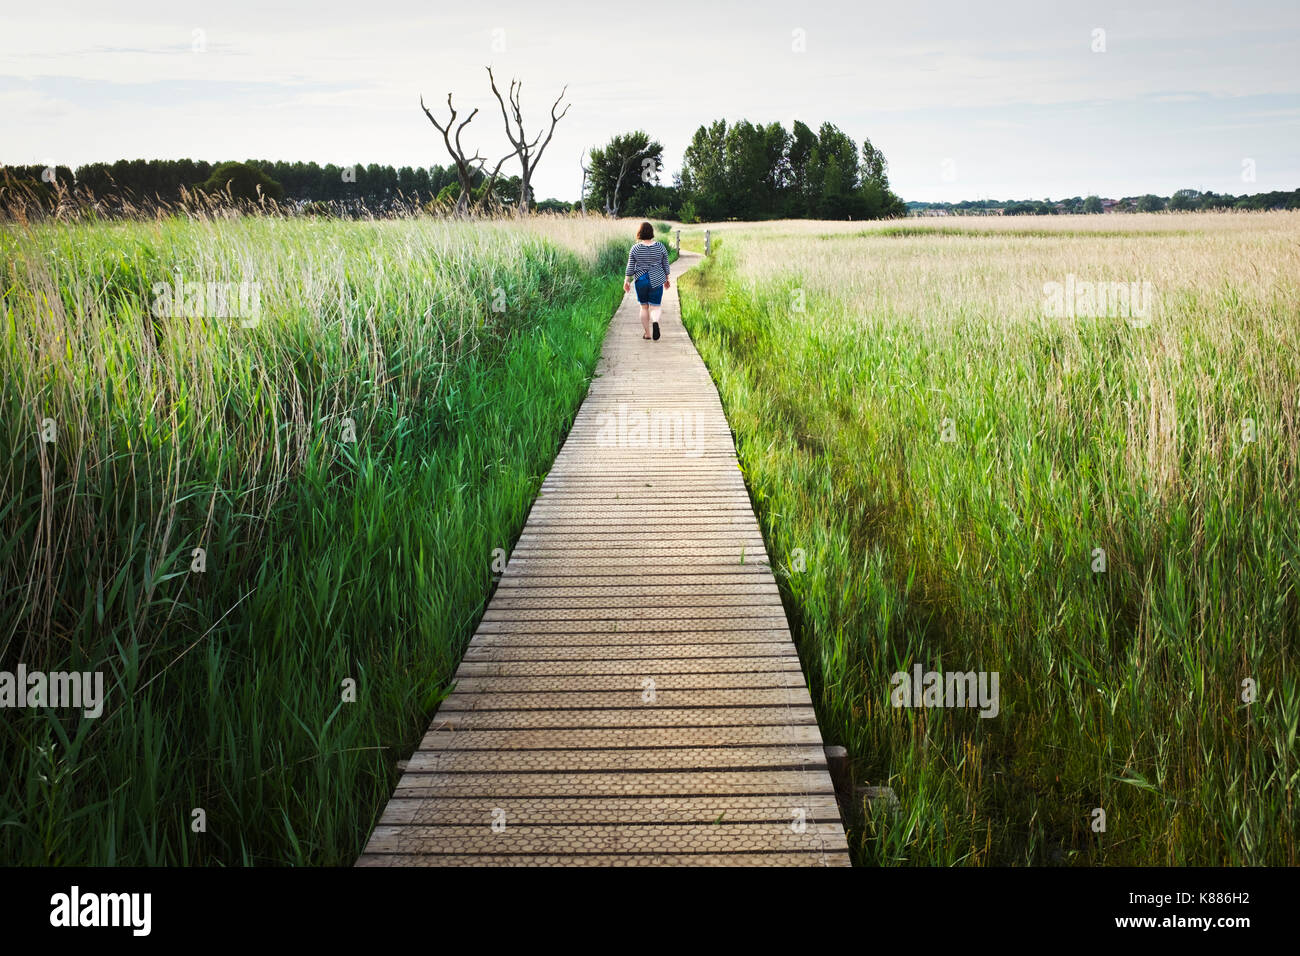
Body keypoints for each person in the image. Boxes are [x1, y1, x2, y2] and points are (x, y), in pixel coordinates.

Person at [623, 222, 670, 340]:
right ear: (651, 232)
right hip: (657, 278)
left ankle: (648, 333)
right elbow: (665, 264)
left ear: (640, 233)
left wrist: (627, 281)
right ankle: (655, 321)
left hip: (641, 279)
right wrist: (667, 278)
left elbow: (630, 266)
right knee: (655, 306)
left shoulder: (635, 248)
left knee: (644, 307)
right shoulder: (660, 246)